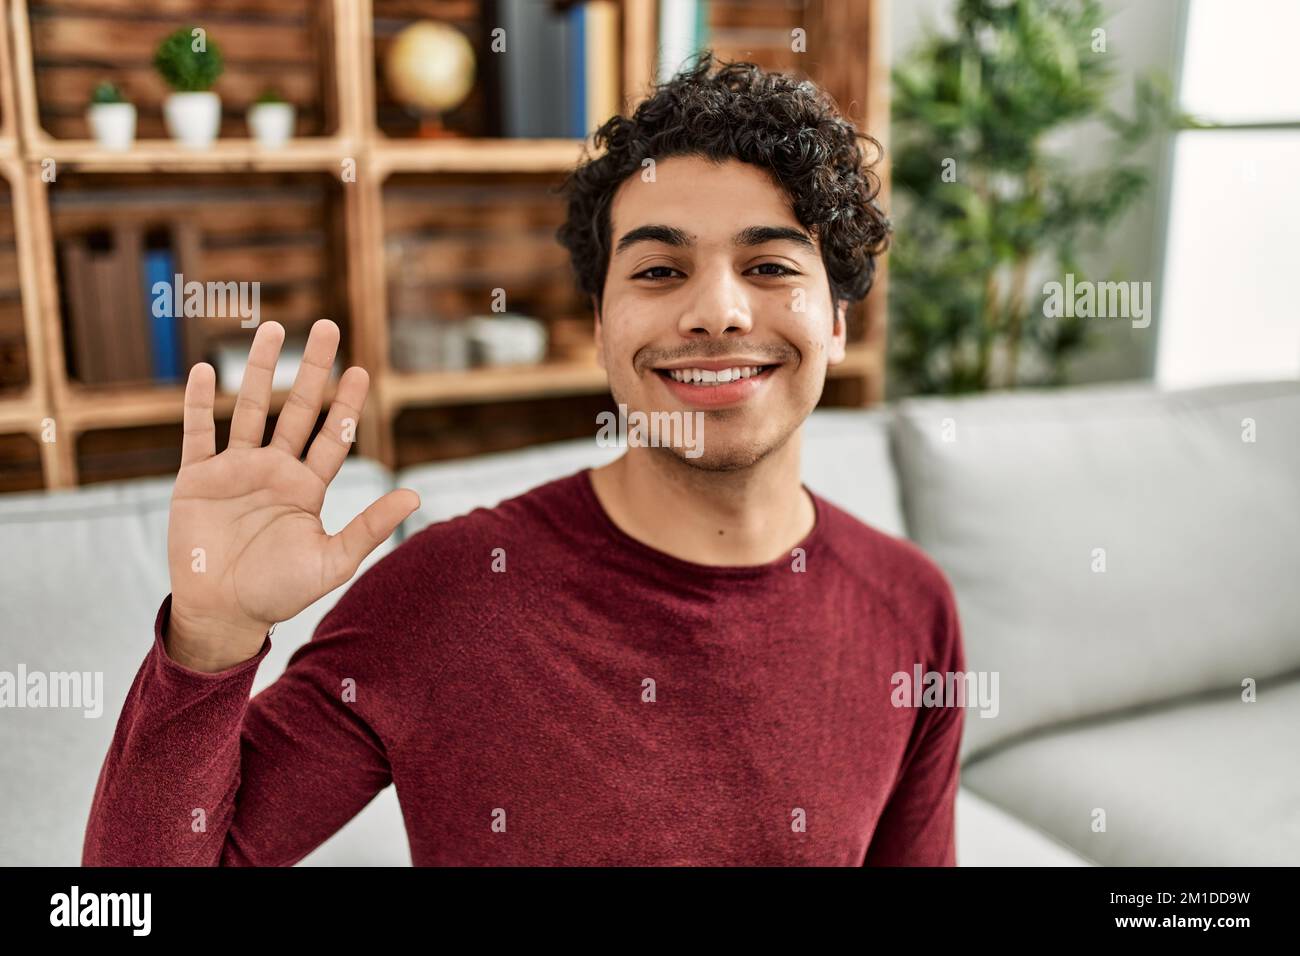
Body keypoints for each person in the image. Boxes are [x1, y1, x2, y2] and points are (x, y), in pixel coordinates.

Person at [82, 50, 965, 866]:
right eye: (659, 271)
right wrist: (210, 641)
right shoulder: (446, 597)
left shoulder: (911, 610)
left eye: (771, 265)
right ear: (599, 326)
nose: (718, 313)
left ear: (840, 322)